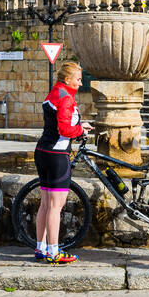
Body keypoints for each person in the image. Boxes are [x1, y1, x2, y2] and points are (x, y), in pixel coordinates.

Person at [34, 60, 93, 265]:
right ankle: (54, 252)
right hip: (58, 155)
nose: (80, 83)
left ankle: (40, 248)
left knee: (44, 204)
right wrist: (81, 131)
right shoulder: (67, 98)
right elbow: (65, 130)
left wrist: (78, 123)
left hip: (42, 151)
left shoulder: (55, 93)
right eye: (78, 79)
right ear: (67, 79)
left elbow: (60, 121)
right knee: (55, 207)